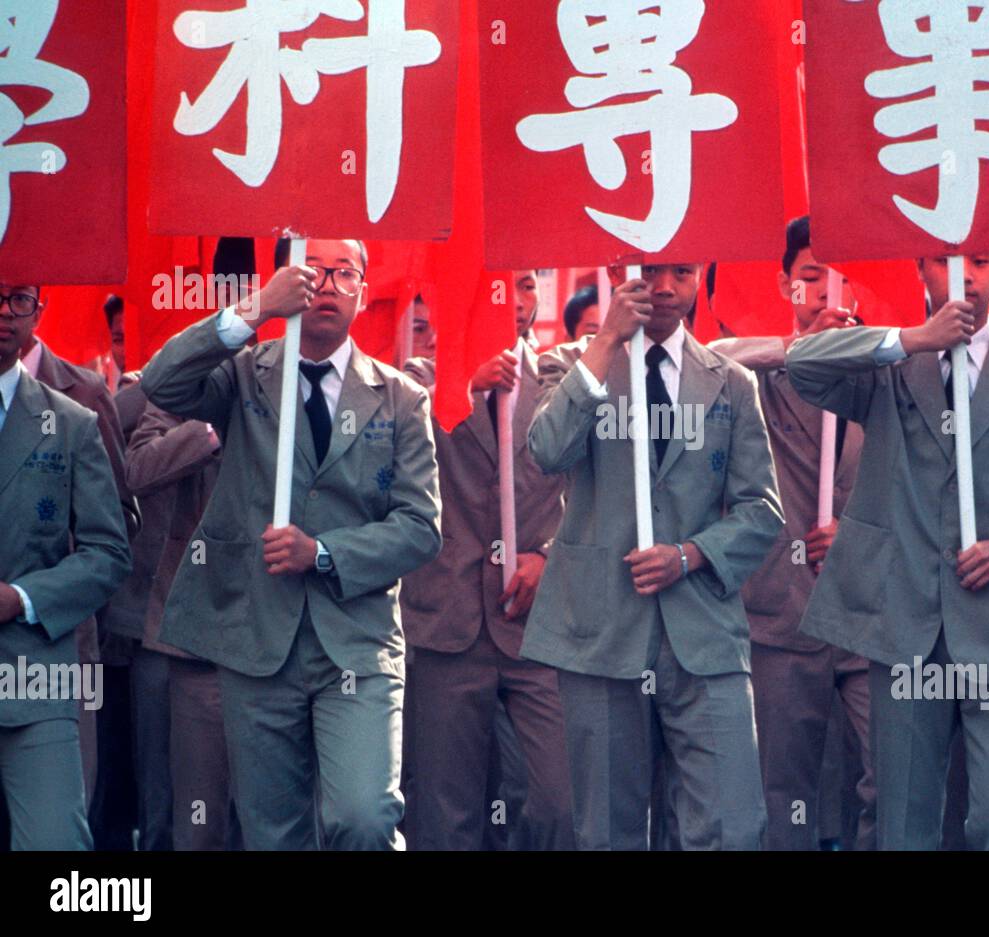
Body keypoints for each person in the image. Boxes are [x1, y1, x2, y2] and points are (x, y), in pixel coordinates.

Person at [787, 253, 989, 850]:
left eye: (981, 262)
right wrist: (913, 337)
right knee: (902, 826)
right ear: (921, 270)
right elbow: (801, 364)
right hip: (904, 630)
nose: (964, 276)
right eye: (944, 262)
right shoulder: (890, 367)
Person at [140, 238, 442, 850]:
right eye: (312, 271)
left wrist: (323, 552)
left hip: (355, 644)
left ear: (363, 286)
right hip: (257, 638)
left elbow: (420, 527)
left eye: (343, 272)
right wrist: (254, 309)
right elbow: (163, 381)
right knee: (273, 832)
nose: (326, 284)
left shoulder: (401, 398)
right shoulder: (247, 375)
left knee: (363, 815)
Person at [524, 263, 783, 850]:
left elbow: (761, 510)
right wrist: (607, 339)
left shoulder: (732, 383)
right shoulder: (571, 365)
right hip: (599, 631)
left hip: (705, 632)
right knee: (609, 832)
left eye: (683, 273)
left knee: (733, 826)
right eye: (653, 272)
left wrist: (690, 555)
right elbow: (546, 450)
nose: (665, 288)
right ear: (620, 270)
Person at [708, 216, 875, 850]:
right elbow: (710, 358)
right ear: (785, 285)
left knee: (893, 779)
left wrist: (858, 535)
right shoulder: (757, 372)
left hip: (869, 610)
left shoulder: (887, 369)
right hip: (780, 614)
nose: (828, 292)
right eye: (811, 277)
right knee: (784, 792)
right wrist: (806, 349)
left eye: (839, 278)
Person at [399, 292, 574, 851]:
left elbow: (597, 490)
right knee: (446, 816)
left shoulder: (562, 376)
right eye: (497, 283)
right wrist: (460, 383)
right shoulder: (416, 380)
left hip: (537, 629)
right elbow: (379, 433)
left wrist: (550, 553)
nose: (512, 299)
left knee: (560, 802)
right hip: (448, 624)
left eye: (525, 284)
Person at [0, 281, 132, 849]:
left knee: (58, 849)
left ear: (39, 311)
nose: (5, 312)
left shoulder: (71, 420)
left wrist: (22, 598)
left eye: (19, 299)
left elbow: (110, 551)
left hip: (35, 670)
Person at [126, 402, 233, 850]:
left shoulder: (288, 398)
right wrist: (210, 427)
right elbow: (136, 472)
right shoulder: (173, 399)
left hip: (264, 631)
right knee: (166, 808)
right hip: (172, 635)